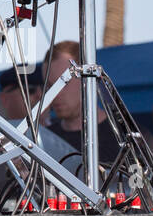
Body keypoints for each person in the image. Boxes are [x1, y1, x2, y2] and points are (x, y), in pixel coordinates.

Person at [42, 40, 121, 175]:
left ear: (87, 78)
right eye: (49, 85)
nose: (55, 93)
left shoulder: (123, 137)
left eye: (63, 82)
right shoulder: (44, 140)